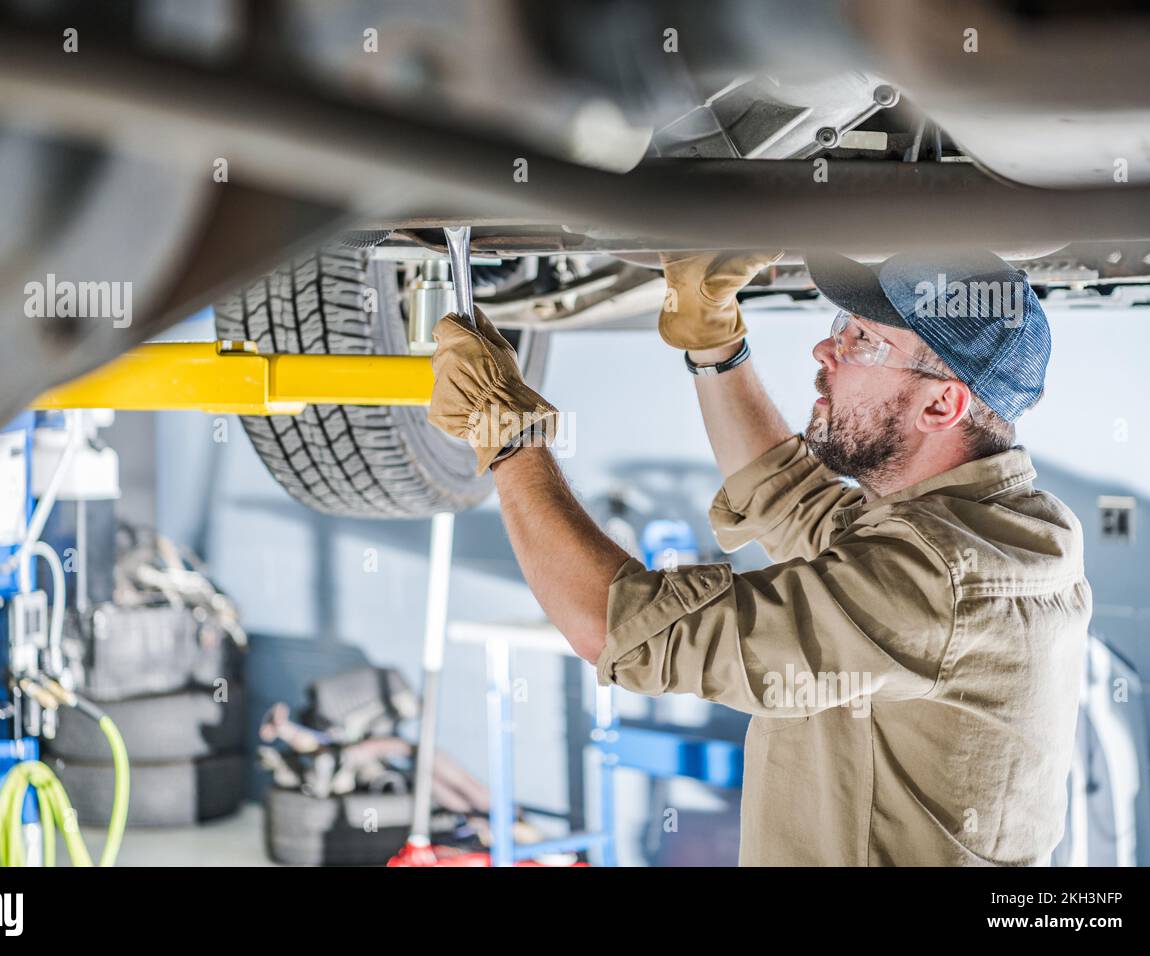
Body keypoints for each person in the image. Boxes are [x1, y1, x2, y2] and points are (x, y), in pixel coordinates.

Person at [426, 247, 1090, 866]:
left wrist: (507, 433)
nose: (824, 349)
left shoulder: (942, 579)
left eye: (862, 340)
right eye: (843, 325)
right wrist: (712, 339)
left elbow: (615, 629)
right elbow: (791, 501)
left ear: (942, 403)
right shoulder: (994, 527)